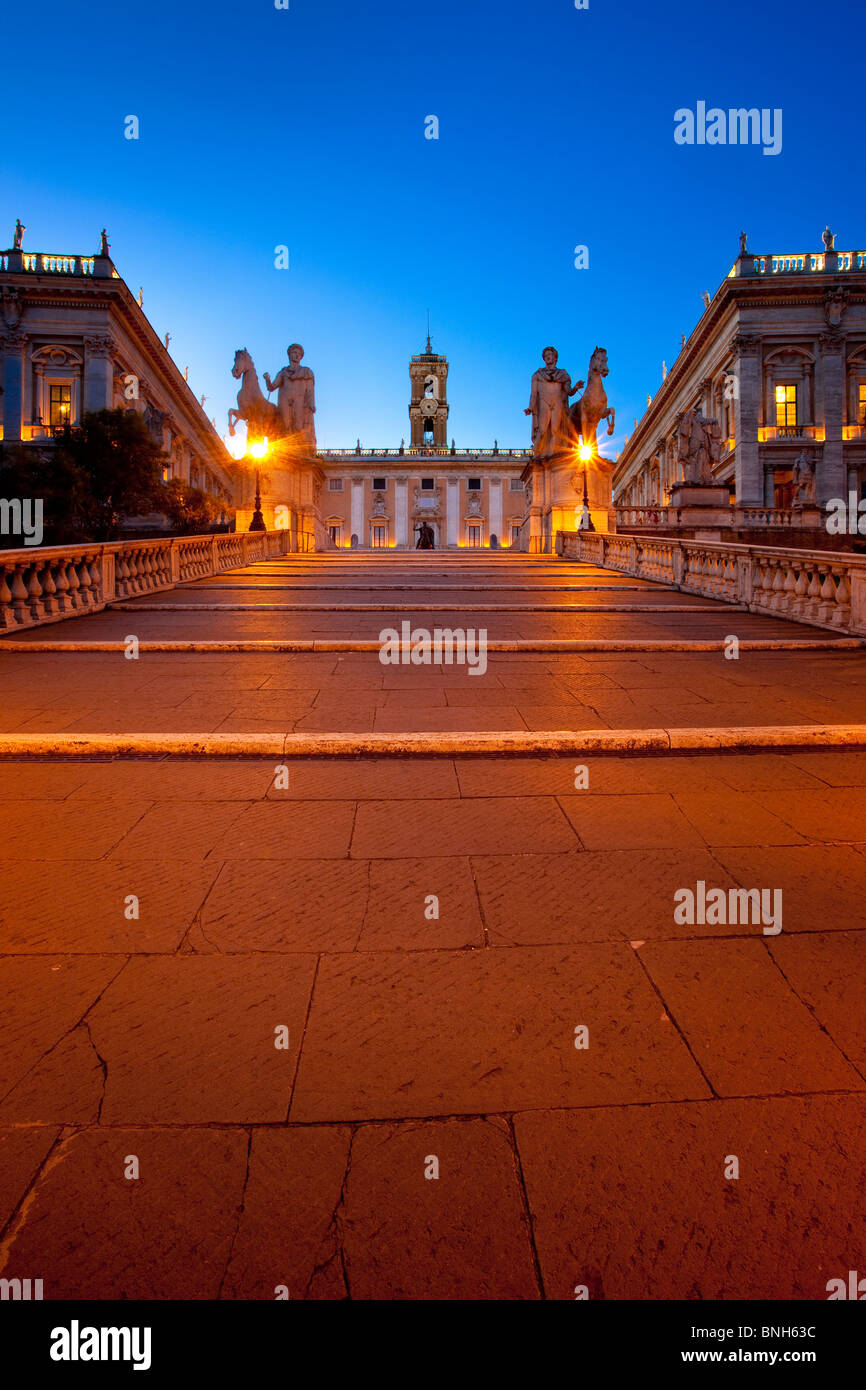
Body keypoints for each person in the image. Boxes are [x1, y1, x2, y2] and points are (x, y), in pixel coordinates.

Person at [525, 347, 582, 459]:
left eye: (550, 354)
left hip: (558, 403)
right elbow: (533, 394)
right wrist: (530, 408)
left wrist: (575, 388)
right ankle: (537, 456)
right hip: (543, 403)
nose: (547, 356)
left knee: (556, 431)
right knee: (542, 430)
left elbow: (568, 392)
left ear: (555, 357)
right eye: (545, 355)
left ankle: (551, 457)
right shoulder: (537, 375)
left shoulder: (563, 374)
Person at [264, 343, 317, 453]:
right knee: (284, 426)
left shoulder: (306, 372)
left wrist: (311, 403)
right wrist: (267, 379)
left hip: (299, 401)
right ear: (289, 355)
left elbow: (310, 390)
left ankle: (299, 453)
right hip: (284, 402)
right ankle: (284, 453)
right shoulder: (283, 372)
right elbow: (271, 387)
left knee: (299, 427)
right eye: (294, 353)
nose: (297, 356)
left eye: (299, 354)